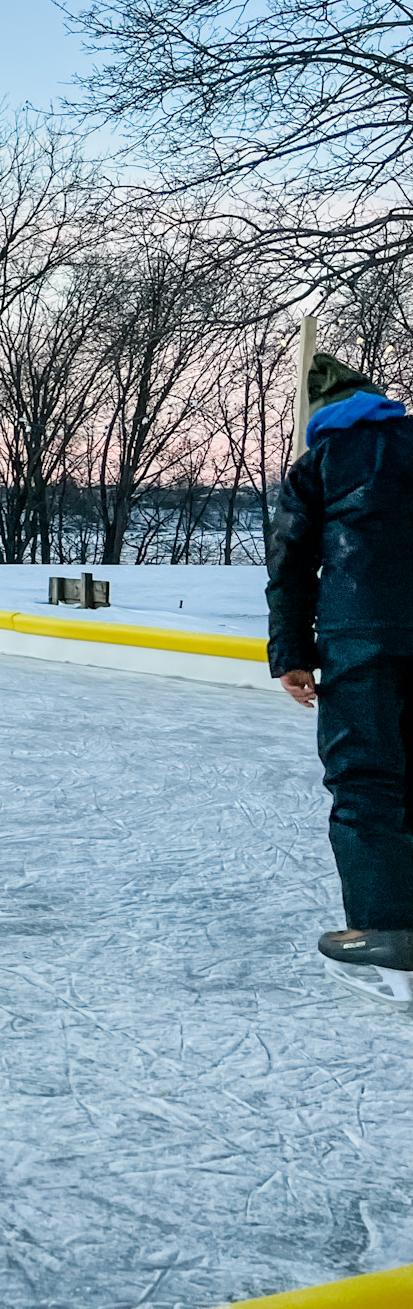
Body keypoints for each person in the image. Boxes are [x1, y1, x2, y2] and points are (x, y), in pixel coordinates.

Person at [267, 352, 413, 1007]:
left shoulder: (319, 463)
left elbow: (290, 564)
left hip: (361, 639)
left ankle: (386, 931)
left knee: (364, 779)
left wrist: (291, 653)